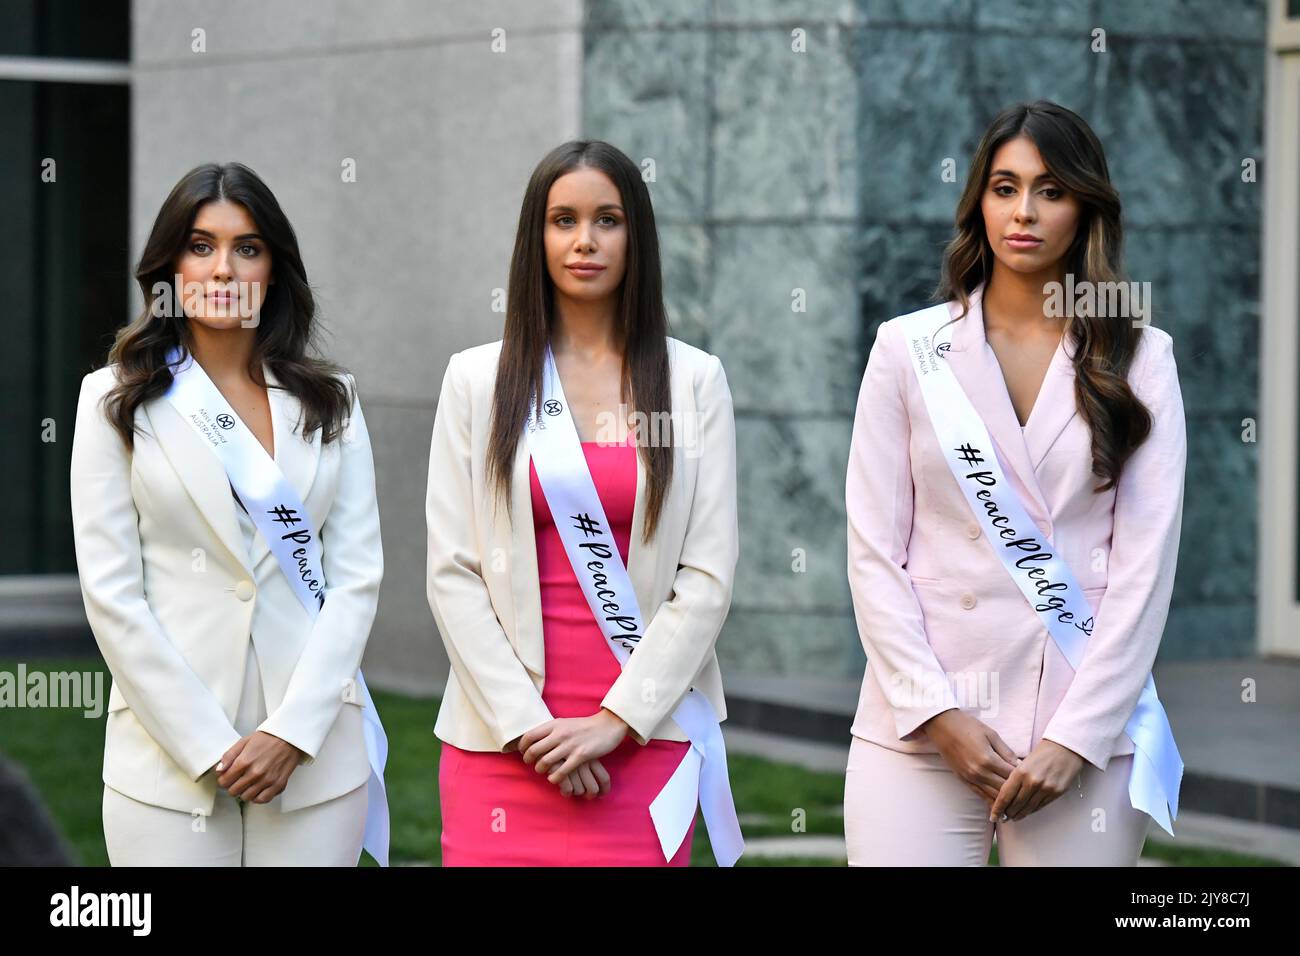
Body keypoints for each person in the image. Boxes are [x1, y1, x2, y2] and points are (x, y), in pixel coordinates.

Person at [843, 101, 1186, 866]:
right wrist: (935, 713)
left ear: (1085, 208)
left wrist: (1080, 736)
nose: (1023, 211)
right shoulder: (908, 350)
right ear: (979, 201)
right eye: (1004, 187)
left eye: (1051, 190)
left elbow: (1144, 568)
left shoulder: (1140, 357)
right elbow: (873, 553)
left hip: (1080, 728)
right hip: (921, 724)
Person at [426, 140, 741, 866]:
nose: (585, 241)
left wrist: (616, 720)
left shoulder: (693, 381)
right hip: (502, 742)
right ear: (536, 237)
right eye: (563, 220)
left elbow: (708, 574)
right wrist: (529, 728)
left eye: (608, 220)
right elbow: (452, 572)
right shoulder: (477, 380)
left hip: (646, 737)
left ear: (637, 237)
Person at [70, 162, 386, 866]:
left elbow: (357, 579)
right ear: (169, 266)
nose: (223, 268)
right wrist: (207, 746)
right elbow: (112, 595)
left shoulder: (331, 400)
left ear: (273, 269)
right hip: (165, 767)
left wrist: (293, 735)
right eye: (200, 245)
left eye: (247, 248)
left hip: (315, 762)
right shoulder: (111, 400)